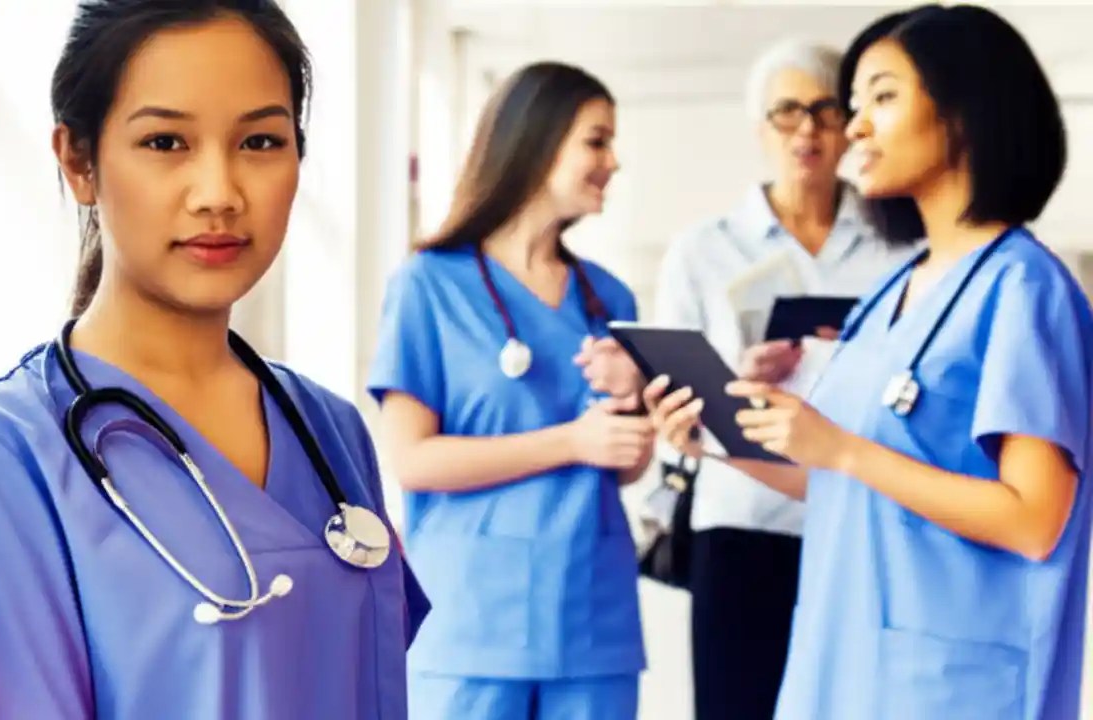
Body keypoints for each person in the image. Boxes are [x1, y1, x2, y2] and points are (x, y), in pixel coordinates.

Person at [0, 2, 427, 718]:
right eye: (164, 142)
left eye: (261, 142)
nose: (219, 194)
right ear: (79, 161)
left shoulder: (331, 431)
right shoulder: (1, 455)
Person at [648, 5, 1092, 719]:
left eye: (881, 98)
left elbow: (1036, 517)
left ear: (964, 109)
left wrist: (843, 451)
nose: (853, 128)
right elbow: (840, 482)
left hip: (949, 682)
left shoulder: (1025, 288)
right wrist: (715, 444)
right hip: (843, 662)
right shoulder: (894, 289)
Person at [579, 37, 917, 719]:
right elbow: (669, 388)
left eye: (824, 110)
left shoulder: (900, 246)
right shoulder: (704, 249)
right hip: (740, 521)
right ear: (759, 128)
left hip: (861, 515)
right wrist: (734, 379)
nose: (807, 130)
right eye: (786, 112)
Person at [367, 62, 654, 719]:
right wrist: (573, 441)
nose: (613, 161)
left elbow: (629, 461)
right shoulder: (429, 286)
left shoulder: (608, 296)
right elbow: (412, 459)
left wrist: (635, 406)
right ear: (537, 139)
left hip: (592, 621)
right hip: (472, 623)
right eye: (597, 140)